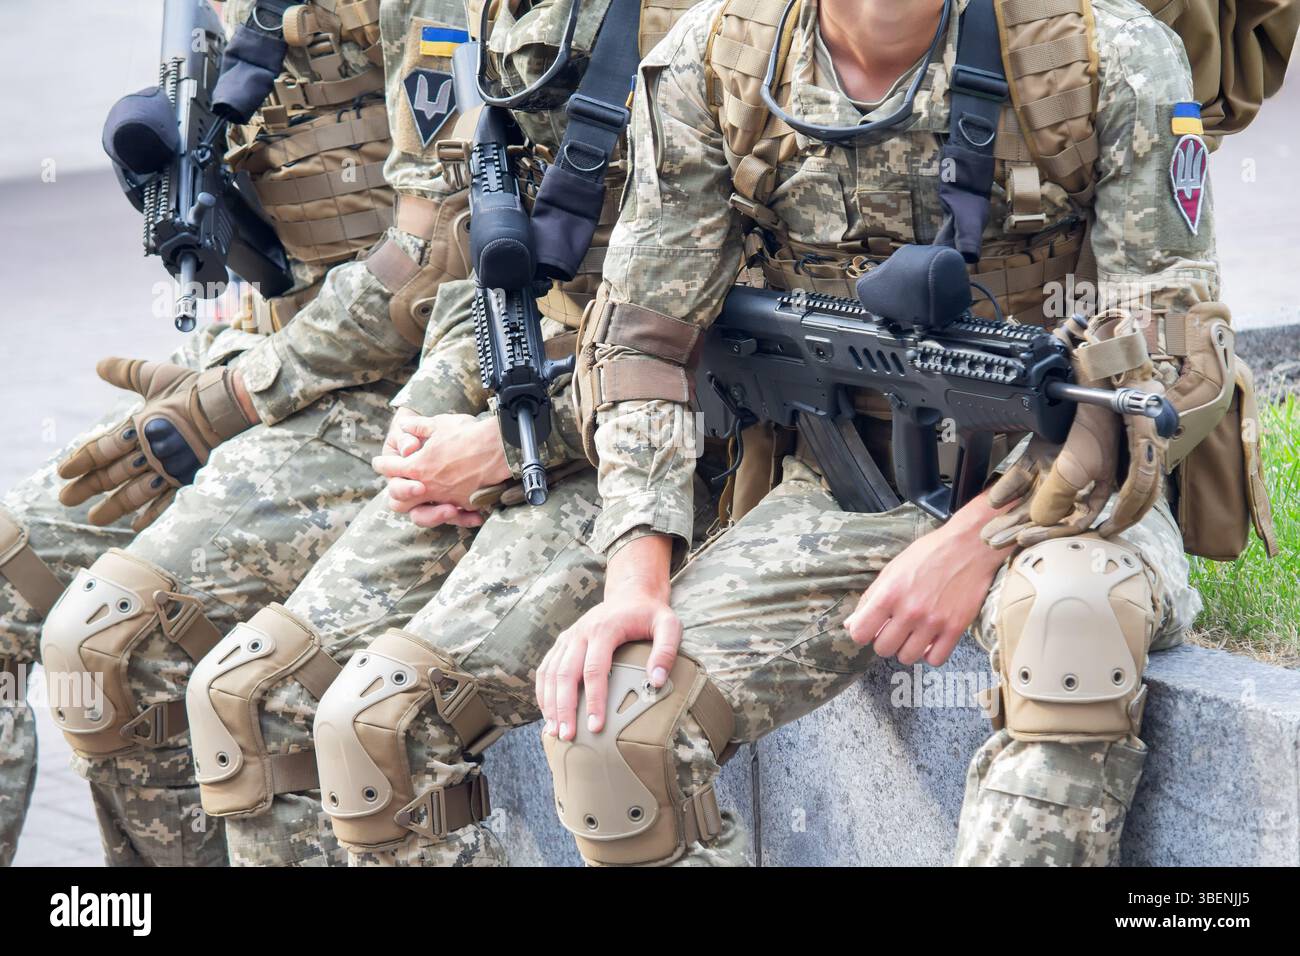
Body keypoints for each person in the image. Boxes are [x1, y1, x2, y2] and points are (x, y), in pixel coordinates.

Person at [536, 0, 1276, 866]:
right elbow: (641, 341)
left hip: (1066, 481)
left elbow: (1173, 348)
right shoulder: (714, 59)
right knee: (613, 732)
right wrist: (636, 575)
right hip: (847, 483)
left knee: (1069, 629)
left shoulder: (1100, 53)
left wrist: (981, 535)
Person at [190, 0, 723, 867]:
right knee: (249, 688)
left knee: (379, 726)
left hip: (658, 450)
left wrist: (517, 442)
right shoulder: (479, 17)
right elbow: (475, 257)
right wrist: (430, 408)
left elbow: (706, 335)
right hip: (526, 407)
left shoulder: (707, 34)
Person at [21, 0, 475, 866]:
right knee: (12, 562)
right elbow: (289, 245)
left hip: (409, 392)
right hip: (282, 364)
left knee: (114, 642)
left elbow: (433, 254)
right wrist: (221, 353)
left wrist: (230, 395)